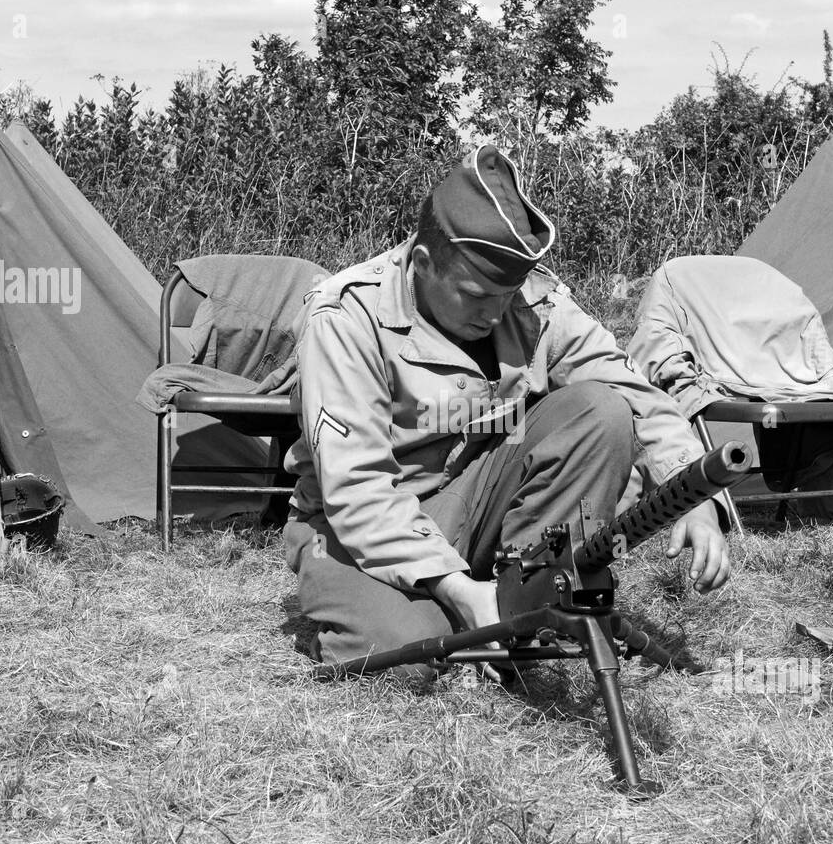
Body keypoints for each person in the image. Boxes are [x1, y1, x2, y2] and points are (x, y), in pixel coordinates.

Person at [283, 144, 730, 674]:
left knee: (599, 410)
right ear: (423, 264)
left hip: (476, 499)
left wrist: (690, 487)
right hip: (357, 519)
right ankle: (436, 607)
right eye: (475, 296)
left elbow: (630, 389)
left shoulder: (531, 303)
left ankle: (521, 600)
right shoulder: (345, 317)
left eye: (507, 295)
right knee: (404, 657)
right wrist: (460, 592)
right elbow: (356, 489)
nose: (496, 314)